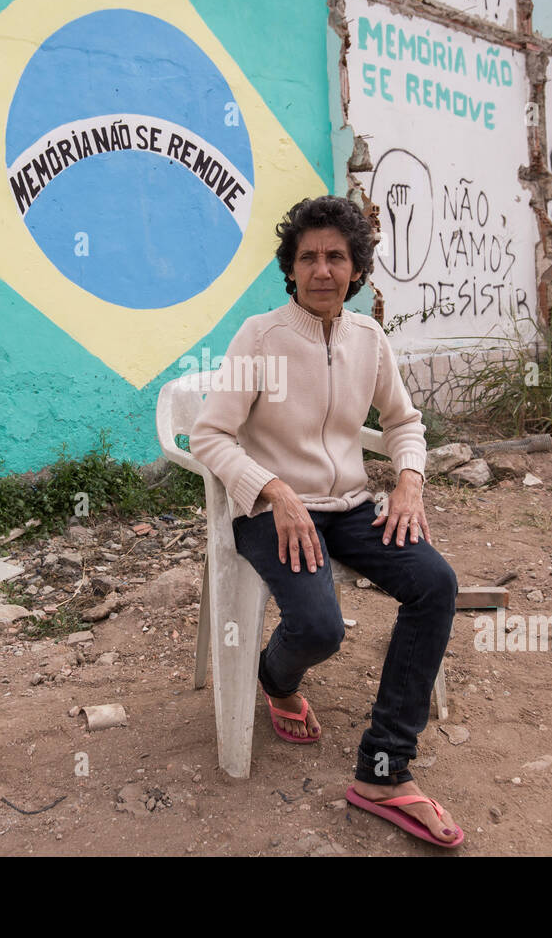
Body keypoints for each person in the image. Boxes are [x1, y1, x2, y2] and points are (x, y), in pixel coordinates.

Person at [189, 194, 462, 847]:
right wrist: (273, 489)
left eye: (335, 256)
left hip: (349, 507)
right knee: (318, 627)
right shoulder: (260, 336)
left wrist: (409, 482)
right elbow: (210, 435)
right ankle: (274, 680)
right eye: (307, 257)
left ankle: (383, 770)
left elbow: (403, 424)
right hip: (272, 511)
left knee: (435, 583)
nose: (320, 269)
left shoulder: (370, 338)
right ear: (290, 267)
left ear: (356, 269)